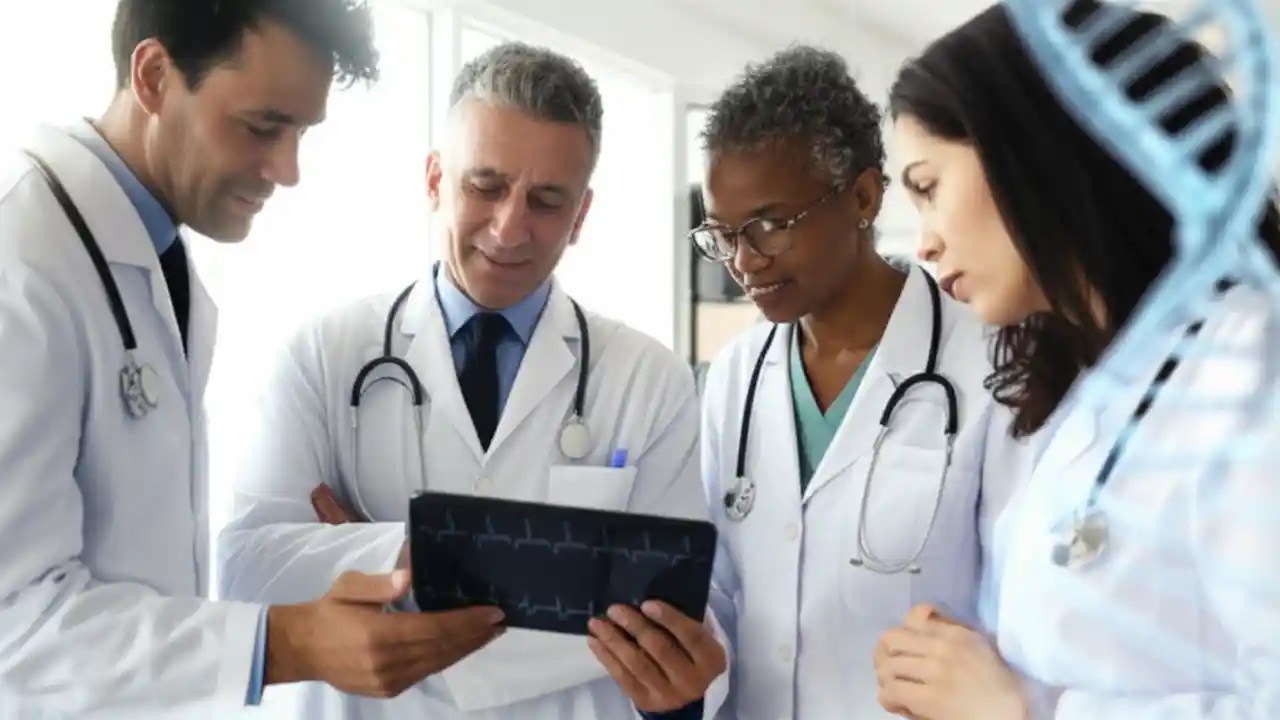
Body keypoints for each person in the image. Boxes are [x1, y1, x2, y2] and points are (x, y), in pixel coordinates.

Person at [0, 1, 511, 717]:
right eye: (263, 126)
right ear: (153, 76)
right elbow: (14, 627)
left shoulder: (150, 262)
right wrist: (285, 642)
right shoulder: (21, 260)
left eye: (300, 131)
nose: (288, 169)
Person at [216, 41, 728, 719]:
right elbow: (247, 572)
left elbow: (678, 625)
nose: (509, 227)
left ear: (580, 216)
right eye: (484, 186)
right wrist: (505, 563)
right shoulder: (324, 354)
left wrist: (371, 562)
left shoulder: (647, 381)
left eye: (547, 201)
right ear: (434, 180)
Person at [874, 4, 1280, 718]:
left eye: (929, 188)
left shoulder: (1251, 365)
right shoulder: (1093, 389)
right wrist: (961, 672)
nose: (925, 243)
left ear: (1034, 145)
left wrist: (1019, 711)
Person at [680, 46, 1035, 719]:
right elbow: (720, 592)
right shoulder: (736, 374)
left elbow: (1023, 611)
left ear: (865, 197)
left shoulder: (990, 364)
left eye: (768, 226)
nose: (743, 260)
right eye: (722, 234)